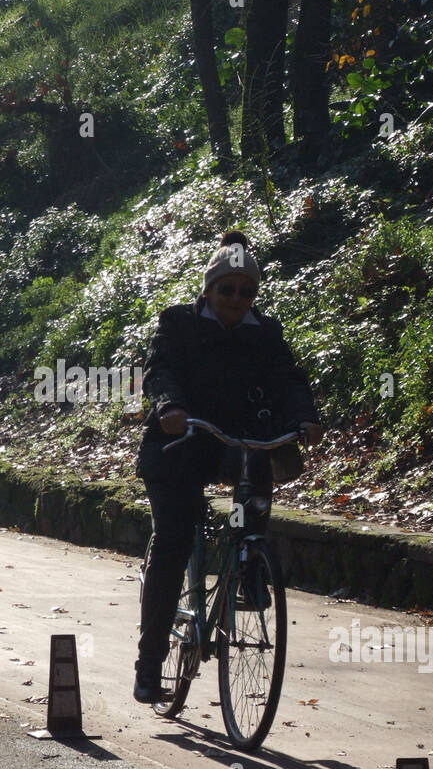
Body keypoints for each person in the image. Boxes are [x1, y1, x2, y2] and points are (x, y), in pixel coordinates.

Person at [133, 229, 323, 703]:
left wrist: (305, 417)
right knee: (174, 541)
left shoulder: (266, 334)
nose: (237, 299)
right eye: (227, 289)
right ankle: (150, 663)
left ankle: (250, 568)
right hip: (180, 443)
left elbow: (289, 378)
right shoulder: (178, 324)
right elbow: (160, 369)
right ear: (209, 290)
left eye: (246, 290)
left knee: (255, 493)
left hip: (235, 443)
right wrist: (170, 407)